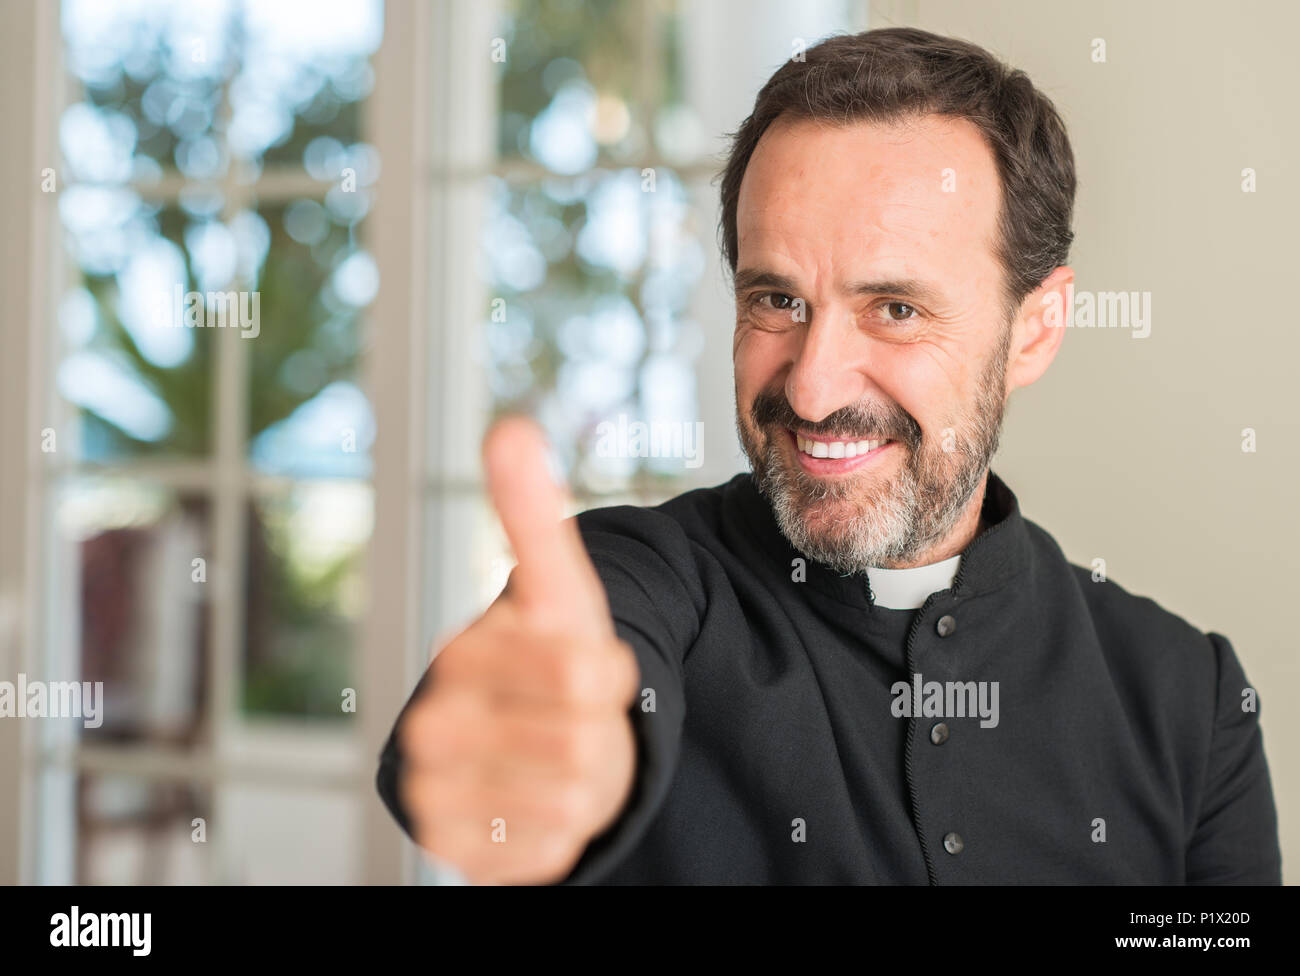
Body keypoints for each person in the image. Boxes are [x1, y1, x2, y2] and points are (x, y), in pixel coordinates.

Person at [376, 27, 1281, 884]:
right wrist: (536, 756)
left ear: (1035, 329)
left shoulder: (1186, 697)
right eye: (777, 299)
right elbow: (569, 678)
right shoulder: (640, 579)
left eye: (895, 309)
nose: (811, 390)